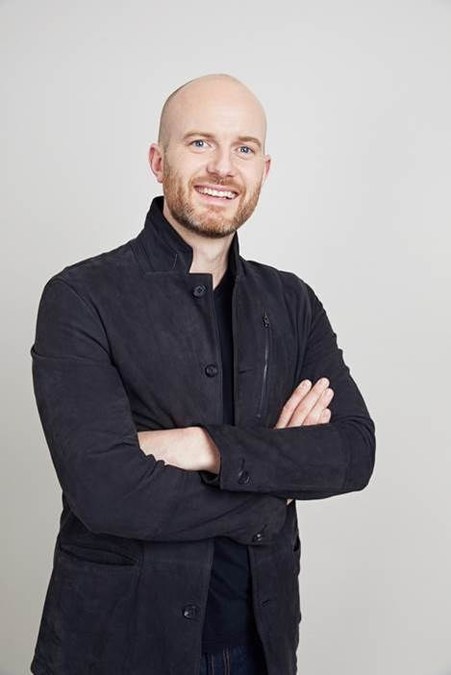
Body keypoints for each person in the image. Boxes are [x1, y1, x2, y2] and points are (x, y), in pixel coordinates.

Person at [30, 73, 375, 675]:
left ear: (264, 170)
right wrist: (268, 491)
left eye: (244, 148)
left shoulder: (292, 302)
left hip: (260, 644)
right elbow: (105, 490)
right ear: (157, 160)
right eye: (199, 143)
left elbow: (352, 452)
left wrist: (202, 446)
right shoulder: (80, 296)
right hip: (118, 647)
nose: (223, 167)